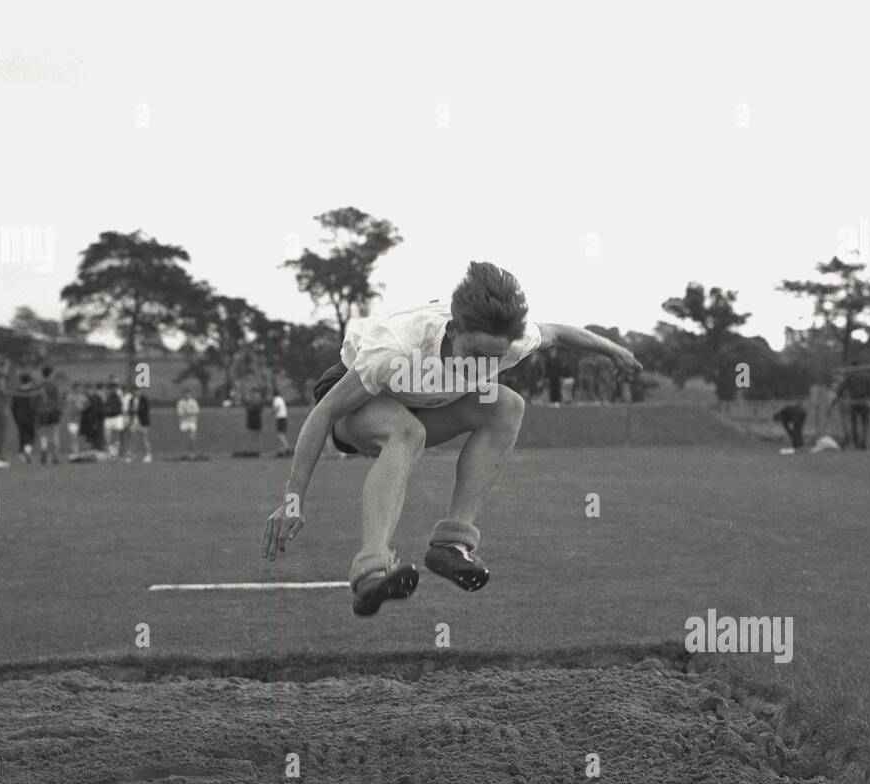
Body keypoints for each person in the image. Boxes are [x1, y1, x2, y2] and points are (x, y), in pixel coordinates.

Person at [261, 260, 640, 616]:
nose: (479, 366)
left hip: (426, 399)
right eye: (473, 353)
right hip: (361, 406)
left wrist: (614, 349)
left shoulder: (514, 341)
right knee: (407, 433)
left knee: (507, 405)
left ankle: (452, 543)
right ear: (454, 329)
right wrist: (292, 499)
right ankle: (371, 571)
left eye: (492, 358)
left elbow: (558, 333)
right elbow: (323, 413)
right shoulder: (394, 347)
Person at [834, 357, 870, 449]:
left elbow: (841, 388)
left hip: (854, 402)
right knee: (864, 423)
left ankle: (857, 444)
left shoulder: (850, 377)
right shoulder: (865, 376)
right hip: (863, 402)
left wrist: (837, 399)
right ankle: (863, 442)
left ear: (852, 366)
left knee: (854, 424)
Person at [35, 365, 64, 464]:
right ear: (51, 374)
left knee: (43, 434)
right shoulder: (54, 386)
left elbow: (35, 401)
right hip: (53, 412)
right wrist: (59, 409)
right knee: (54, 434)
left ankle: (44, 451)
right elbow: (58, 400)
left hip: (41, 413)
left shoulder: (39, 386)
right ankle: (55, 456)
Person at [11, 372, 39, 463]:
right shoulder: (32, 391)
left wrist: (15, 416)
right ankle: (27, 452)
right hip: (30, 416)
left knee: (22, 435)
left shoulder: (17, 392)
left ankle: (22, 452)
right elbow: (35, 405)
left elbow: (13, 406)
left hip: (20, 417)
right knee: (31, 435)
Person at [125, 385, 153, 463]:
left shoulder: (144, 399)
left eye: (137, 391)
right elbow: (130, 411)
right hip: (134, 421)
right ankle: (131, 455)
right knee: (132, 439)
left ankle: (148, 455)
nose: (136, 392)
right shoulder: (131, 400)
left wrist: (136, 409)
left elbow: (145, 410)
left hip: (143, 421)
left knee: (144, 438)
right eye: (134, 391)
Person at [103, 379, 125, 458]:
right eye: (112, 387)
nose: (113, 388)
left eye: (115, 387)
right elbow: (104, 406)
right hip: (108, 418)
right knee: (107, 436)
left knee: (117, 436)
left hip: (117, 417)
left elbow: (122, 406)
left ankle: (117, 451)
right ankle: (110, 451)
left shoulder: (119, 395)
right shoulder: (107, 396)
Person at [176, 388, 200, 454]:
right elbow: (179, 413)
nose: (187, 395)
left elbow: (197, 412)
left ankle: (191, 451)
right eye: (185, 394)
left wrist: (188, 413)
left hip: (192, 421)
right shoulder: (180, 402)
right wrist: (187, 414)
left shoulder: (193, 402)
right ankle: (184, 452)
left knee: (192, 438)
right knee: (183, 437)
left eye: (188, 394)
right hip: (183, 422)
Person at [272, 389, 290, 457]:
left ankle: (286, 447)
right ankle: (281, 451)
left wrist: (273, 412)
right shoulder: (281, 399)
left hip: (280, 418)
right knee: (280, 434)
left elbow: (276, 407)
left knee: (280, 434)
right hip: (284, 417)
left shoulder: (276, 399)